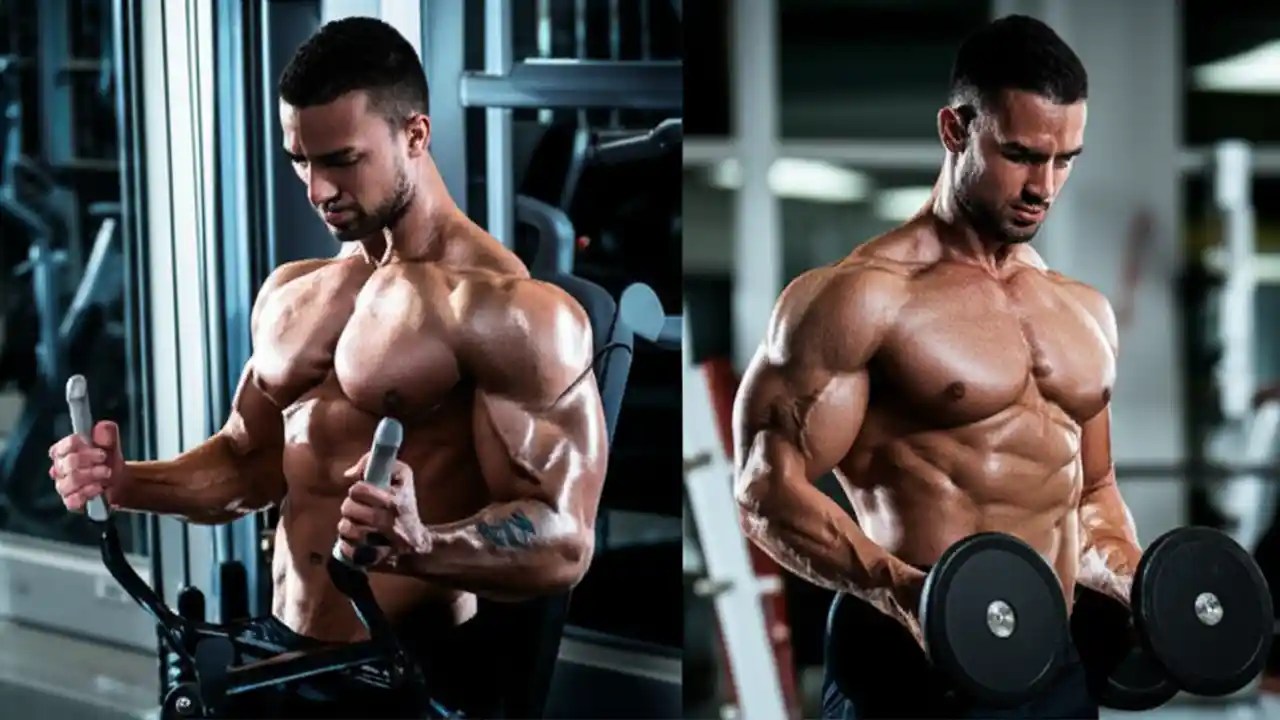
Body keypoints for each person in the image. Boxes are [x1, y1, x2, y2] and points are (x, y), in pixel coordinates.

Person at [47, 16, 608, 719]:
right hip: (277, 654)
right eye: (299, 161)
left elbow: (564, 544)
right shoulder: (294, 291)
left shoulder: (509, 311)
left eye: (341, 160)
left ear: (415, 136)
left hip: (404, 675)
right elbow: (249, 462)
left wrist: (424, 543)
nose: (317, 189)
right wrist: (128, 482)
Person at [732, 15, 1140, 720]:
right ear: (955, 130)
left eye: (1065, 159)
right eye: (1020, 154)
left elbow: (1094, 490)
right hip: (908, 661)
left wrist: (1138, 587)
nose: (1044, 185)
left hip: (1050, 666)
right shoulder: (862, 298)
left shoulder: (1083, 312)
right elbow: (765, 491)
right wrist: (903, 594)